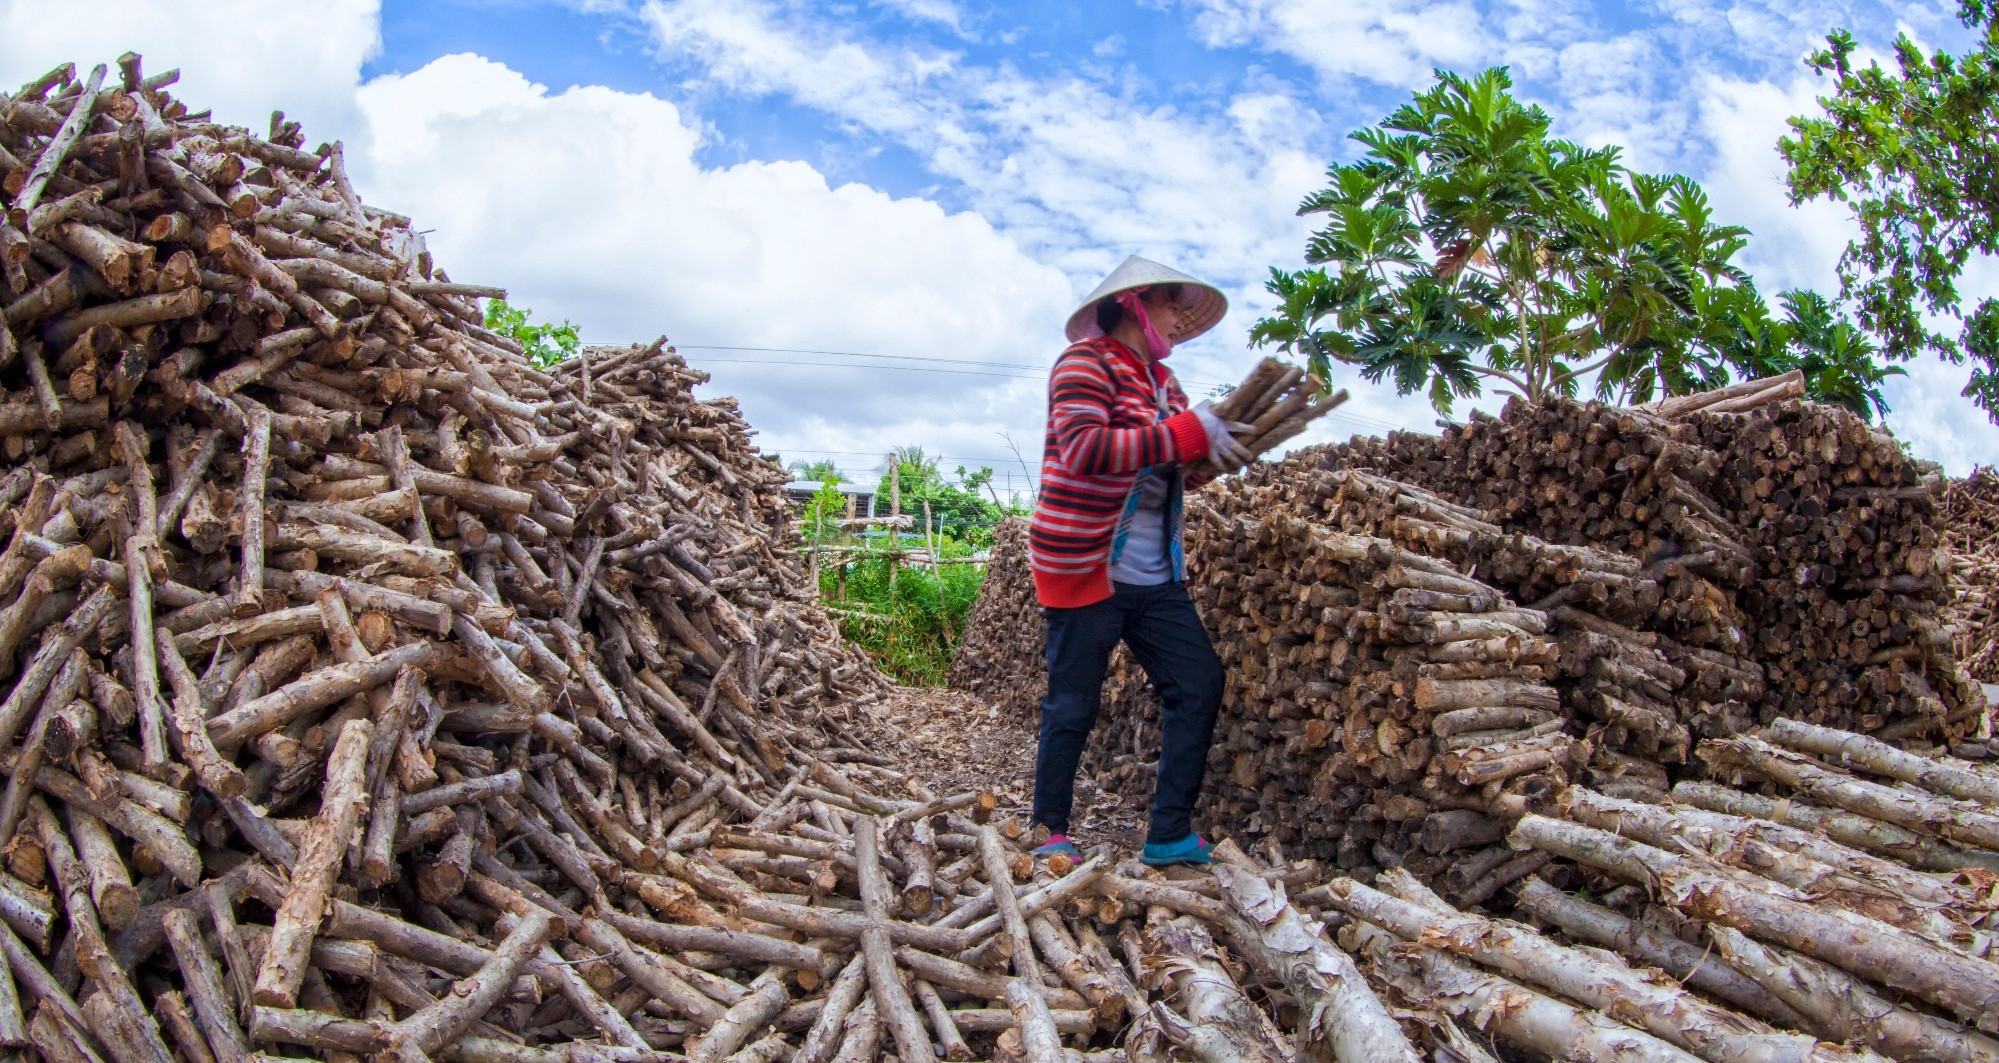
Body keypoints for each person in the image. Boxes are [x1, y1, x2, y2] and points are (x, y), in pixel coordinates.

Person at [1025, 255, 1252, 867]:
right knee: (1073, 702)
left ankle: (1169, 833)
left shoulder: (1164, 385)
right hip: (1084, 562)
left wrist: (1210, 458)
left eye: (1185, 311)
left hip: (1155, 572)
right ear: (1135, 301)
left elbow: (1168, 468)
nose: (1182, 320)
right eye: (1175, 306)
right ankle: (1050, 828)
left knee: (1199, 682)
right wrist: (1186, 435)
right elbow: (1084, 449)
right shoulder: (1083, 364)